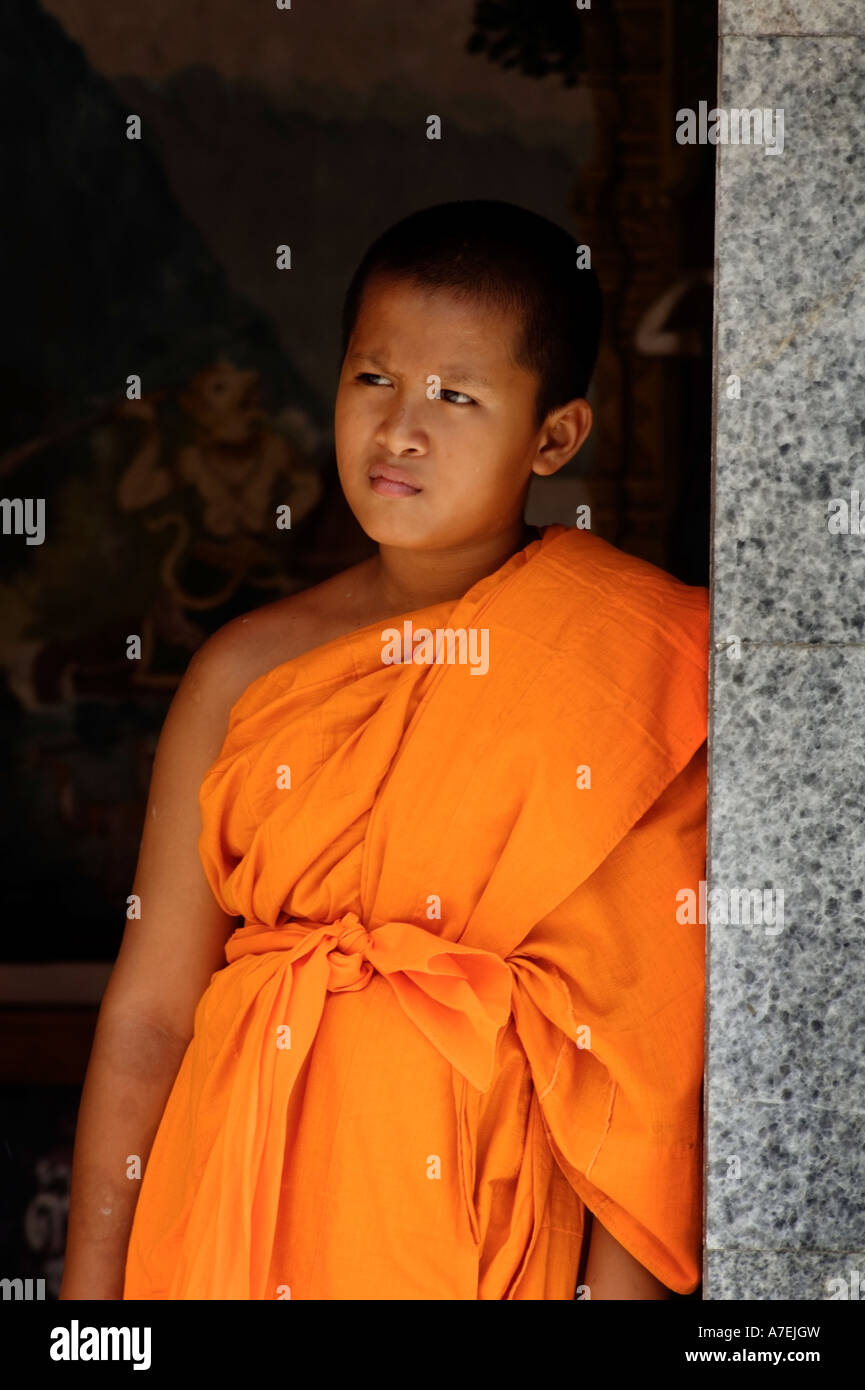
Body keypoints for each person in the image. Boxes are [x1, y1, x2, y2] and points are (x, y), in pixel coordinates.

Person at [60, 200, 708, 1301]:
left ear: (554, 436)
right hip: (227, 1206)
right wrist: (87, 1306)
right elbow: (151, 1012)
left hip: (486, 1226)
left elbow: (642, 1060)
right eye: (375, 379)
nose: (401, 429)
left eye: (457, 396)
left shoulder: (631, 664)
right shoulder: (243, 670)